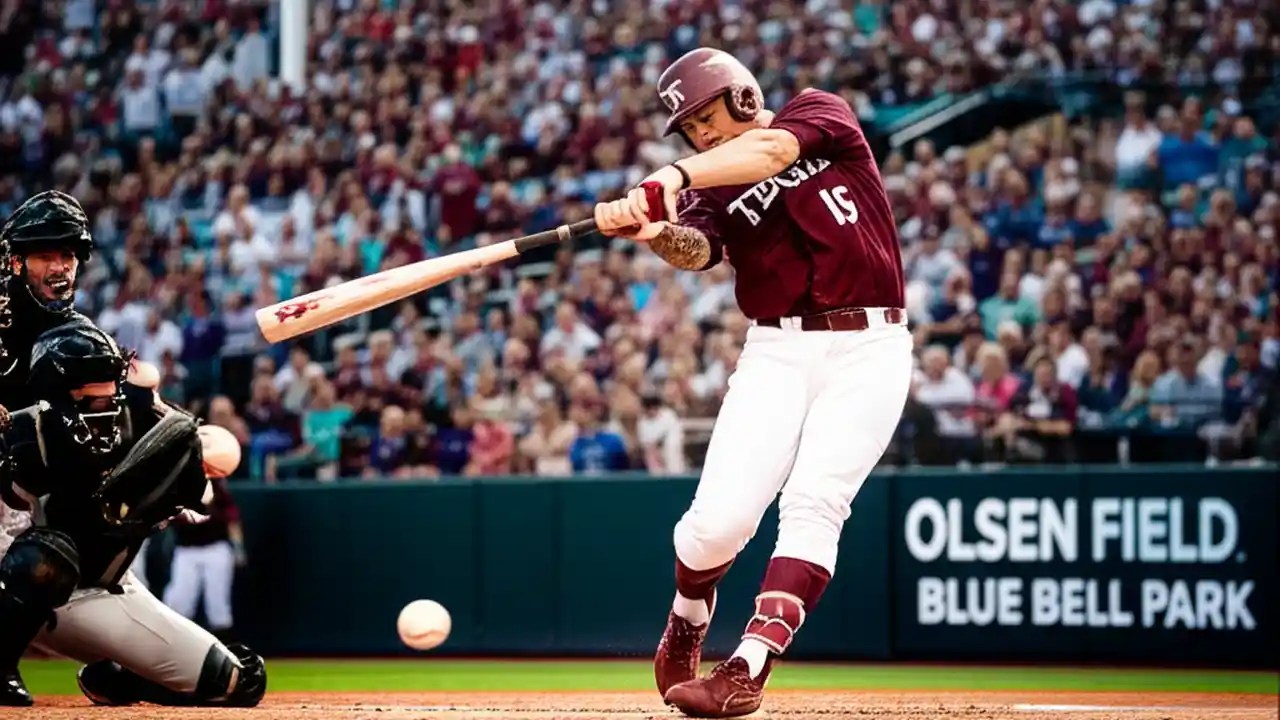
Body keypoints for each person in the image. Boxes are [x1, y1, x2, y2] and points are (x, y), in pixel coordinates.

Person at [593, 47, 911, 718]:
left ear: (741, 96)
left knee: (815, 503)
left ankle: (747, 668)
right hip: (777, 350)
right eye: (690, 130)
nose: (701, 136)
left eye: (706, 118)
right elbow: (698, 250)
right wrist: (654, 229)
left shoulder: (819, 113)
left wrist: (669, 177)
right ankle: (688, 612)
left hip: (872, 345)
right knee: (716, 526)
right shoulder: (709, 188)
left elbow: (769, 155)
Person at [0, 319, 266, 707]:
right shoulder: (22, 436)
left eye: (112, 380)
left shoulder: (140, 423)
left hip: (105, 590)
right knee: (43, 558)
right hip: (31, 588)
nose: (110, 394)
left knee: (238, 681)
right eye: (94, 384)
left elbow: (217, 459)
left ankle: (124, 681)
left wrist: (192, 465)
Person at [0, 190, 98, 411]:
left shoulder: (85, 339)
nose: (58, 268)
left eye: (67, 256)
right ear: (16, 264)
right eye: (44, 257)